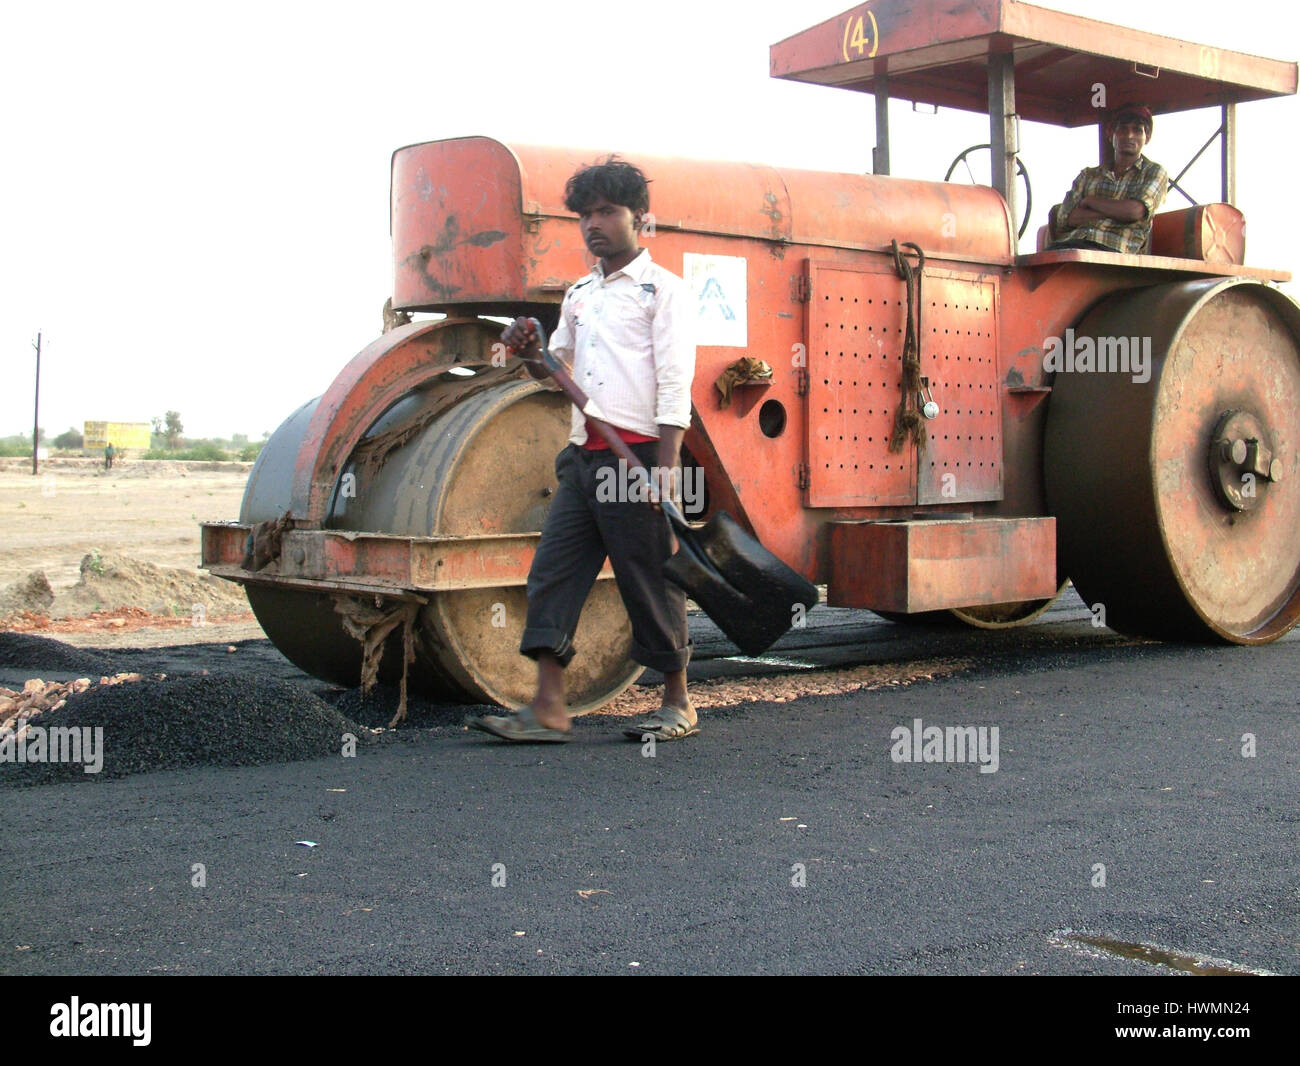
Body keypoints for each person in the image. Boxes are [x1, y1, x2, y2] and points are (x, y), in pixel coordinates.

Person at [471, 157, 697, 744]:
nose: (594, 224)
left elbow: (675, 386)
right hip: (585, 460)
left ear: (638, 218)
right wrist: (528, 350)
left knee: (647, 578)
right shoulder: (579, 294)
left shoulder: (662, 291)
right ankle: (548, 709)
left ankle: (677, 702)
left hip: (638, 460)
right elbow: (555, 373)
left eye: (607, 211)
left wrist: (663, 476)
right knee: (553, 574)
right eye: (585, 215)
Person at [1049, 104, 1169, 253]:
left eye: (1137, 130)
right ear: (1111, 134)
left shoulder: (1154, 172)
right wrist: (1119, 212)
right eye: (1123, 129)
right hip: (1073, 245)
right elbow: (1067, 219)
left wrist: (1090, 201)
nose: (1129, 135)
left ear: (1147, 137)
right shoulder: (1088, 175)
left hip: (1114, 252)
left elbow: (1135, 212)